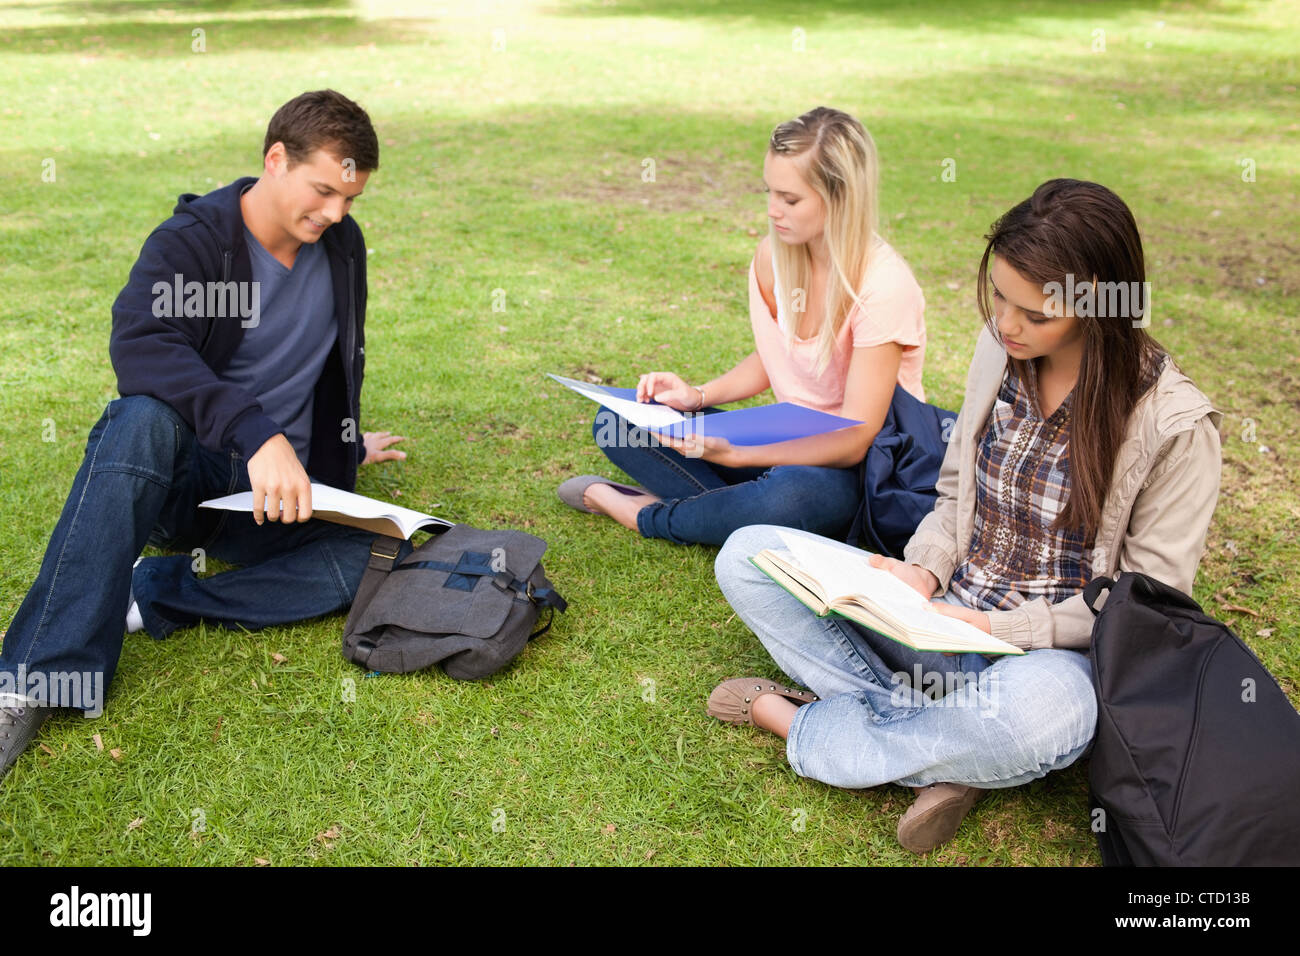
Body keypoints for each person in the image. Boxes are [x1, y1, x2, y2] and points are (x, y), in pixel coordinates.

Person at [709, 179, 1222, 854]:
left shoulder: (1176, 426)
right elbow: (955, 494)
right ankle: (951, 753)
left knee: (1041, 722)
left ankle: (797, 723)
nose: (1006, 325)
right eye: (998, 298)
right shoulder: (999, 350)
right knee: (747, 557)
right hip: (937, 618)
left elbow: (1146, 612)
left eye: (1034, 315)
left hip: (1044, 659)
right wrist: (921, 574)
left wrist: (990, 626)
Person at [0, 90, 409, 780]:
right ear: (275, 160)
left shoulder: (342, 245)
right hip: (197, 481)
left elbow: (327, 361)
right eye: (323, 192)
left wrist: (341, 442)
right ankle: (33, 679)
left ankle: (154, 593)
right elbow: (144, 347)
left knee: (387, 553)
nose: (336, 214)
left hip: (284, 499)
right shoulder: (194, 241)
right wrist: (256, 433)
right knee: (139, 419)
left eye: (350, 199)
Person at [557, 106, 926, 546]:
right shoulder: (776, 257)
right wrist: (697, 396)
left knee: (791, 496)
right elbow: (779, 357)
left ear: (841, 196)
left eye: (790, 199)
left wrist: (736, 452)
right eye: (769, 192)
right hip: (781, 441)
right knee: (617, 424)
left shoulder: (883, 285)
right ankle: (730, 511)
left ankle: (641, 512)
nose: (773, 211)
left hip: (855, 470)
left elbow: (854, 439)